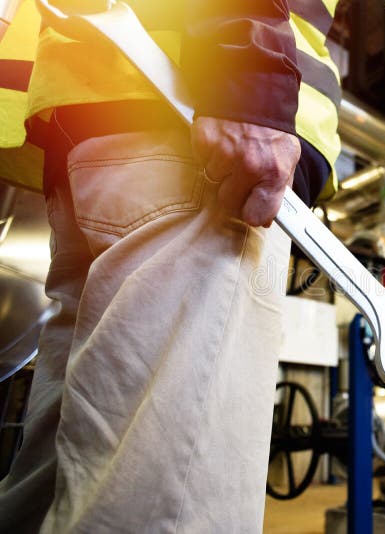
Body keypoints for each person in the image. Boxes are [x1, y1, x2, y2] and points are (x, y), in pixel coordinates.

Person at [0, 0, 341, 532]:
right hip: (201, 128)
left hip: (93, 121)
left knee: (58, 487)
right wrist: (250, 72)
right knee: (168, 508)